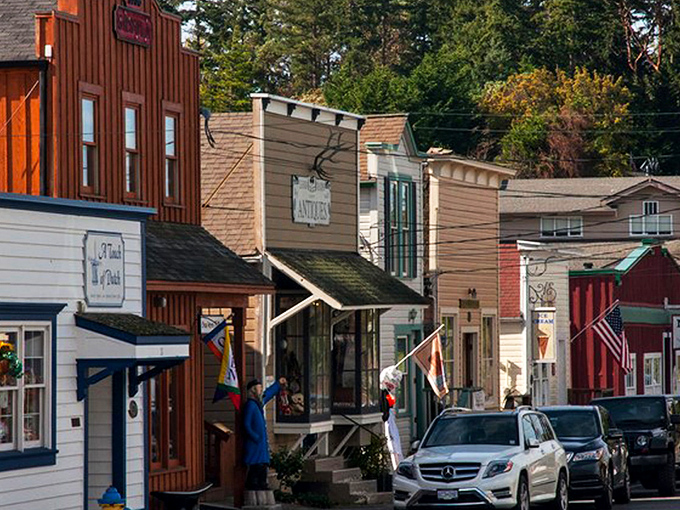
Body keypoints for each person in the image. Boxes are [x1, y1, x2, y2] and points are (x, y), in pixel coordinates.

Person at [243, 376, 286, 491]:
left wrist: (278, 384)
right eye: (259, 388)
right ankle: (253, 484)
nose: (261, 390)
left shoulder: (258, 403)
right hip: (255, 442)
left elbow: (268, 394)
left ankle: (262, 483)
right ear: (253, 390)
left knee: (263, 465)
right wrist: (255, 437)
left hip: (260, 443)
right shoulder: (250, 405)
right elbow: (246, 424)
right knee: (255, 466)